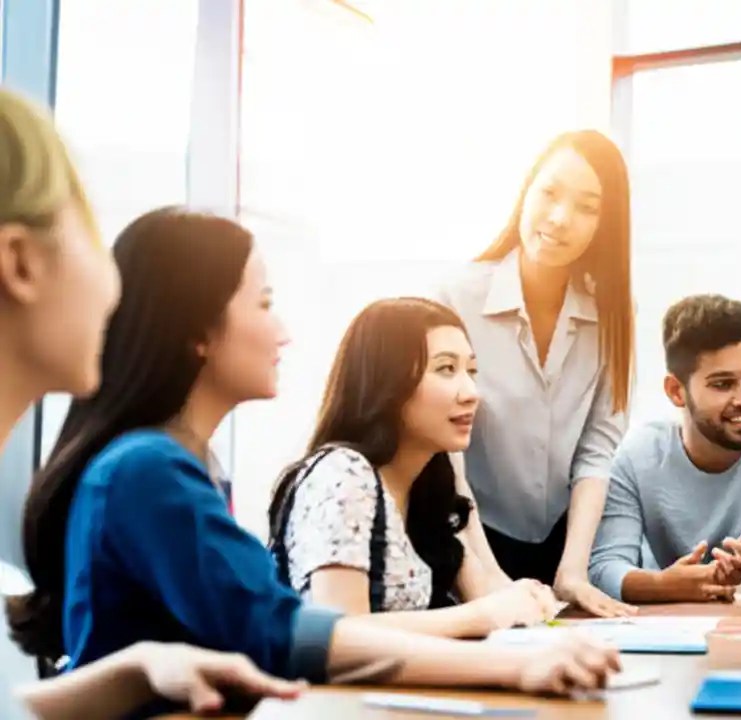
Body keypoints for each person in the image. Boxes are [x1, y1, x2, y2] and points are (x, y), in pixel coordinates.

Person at [8, 208, 619, 716]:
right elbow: (285, 632)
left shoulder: (183, 466)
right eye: (264, 303)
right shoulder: (148, 472)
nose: (283, 333)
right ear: (200, 331)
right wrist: (507, 664)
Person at [0, 87, 301, 718]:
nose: (117, 291)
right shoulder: (144, 466)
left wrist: (139, 669)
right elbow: (276, 627)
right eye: (89, 237)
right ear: (20, 263)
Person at [430, 130, 635, 617]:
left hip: (562, 545)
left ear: (605, 224)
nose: (561, 218)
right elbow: (442, 449)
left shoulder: (611, 316)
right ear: (526, 192)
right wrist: (487, 575)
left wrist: (572, 572)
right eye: (549, 193)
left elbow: (597, 448)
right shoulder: (456, 298)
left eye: (587, 207)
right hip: (468, 536)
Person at [267, 297, 558, 634]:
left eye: (472, 371)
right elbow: (337, 635)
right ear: (386, 382)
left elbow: (488, 595)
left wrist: (527, 600)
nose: (471, 392)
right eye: (446, 369)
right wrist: (487, 614)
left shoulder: (430, 484)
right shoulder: (343, 473)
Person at [588, 294, 741, 603]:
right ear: (676, 392)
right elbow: (603, 570)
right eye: (723, 384)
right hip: (668, 630)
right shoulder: (636, 456)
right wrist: (664, 585)